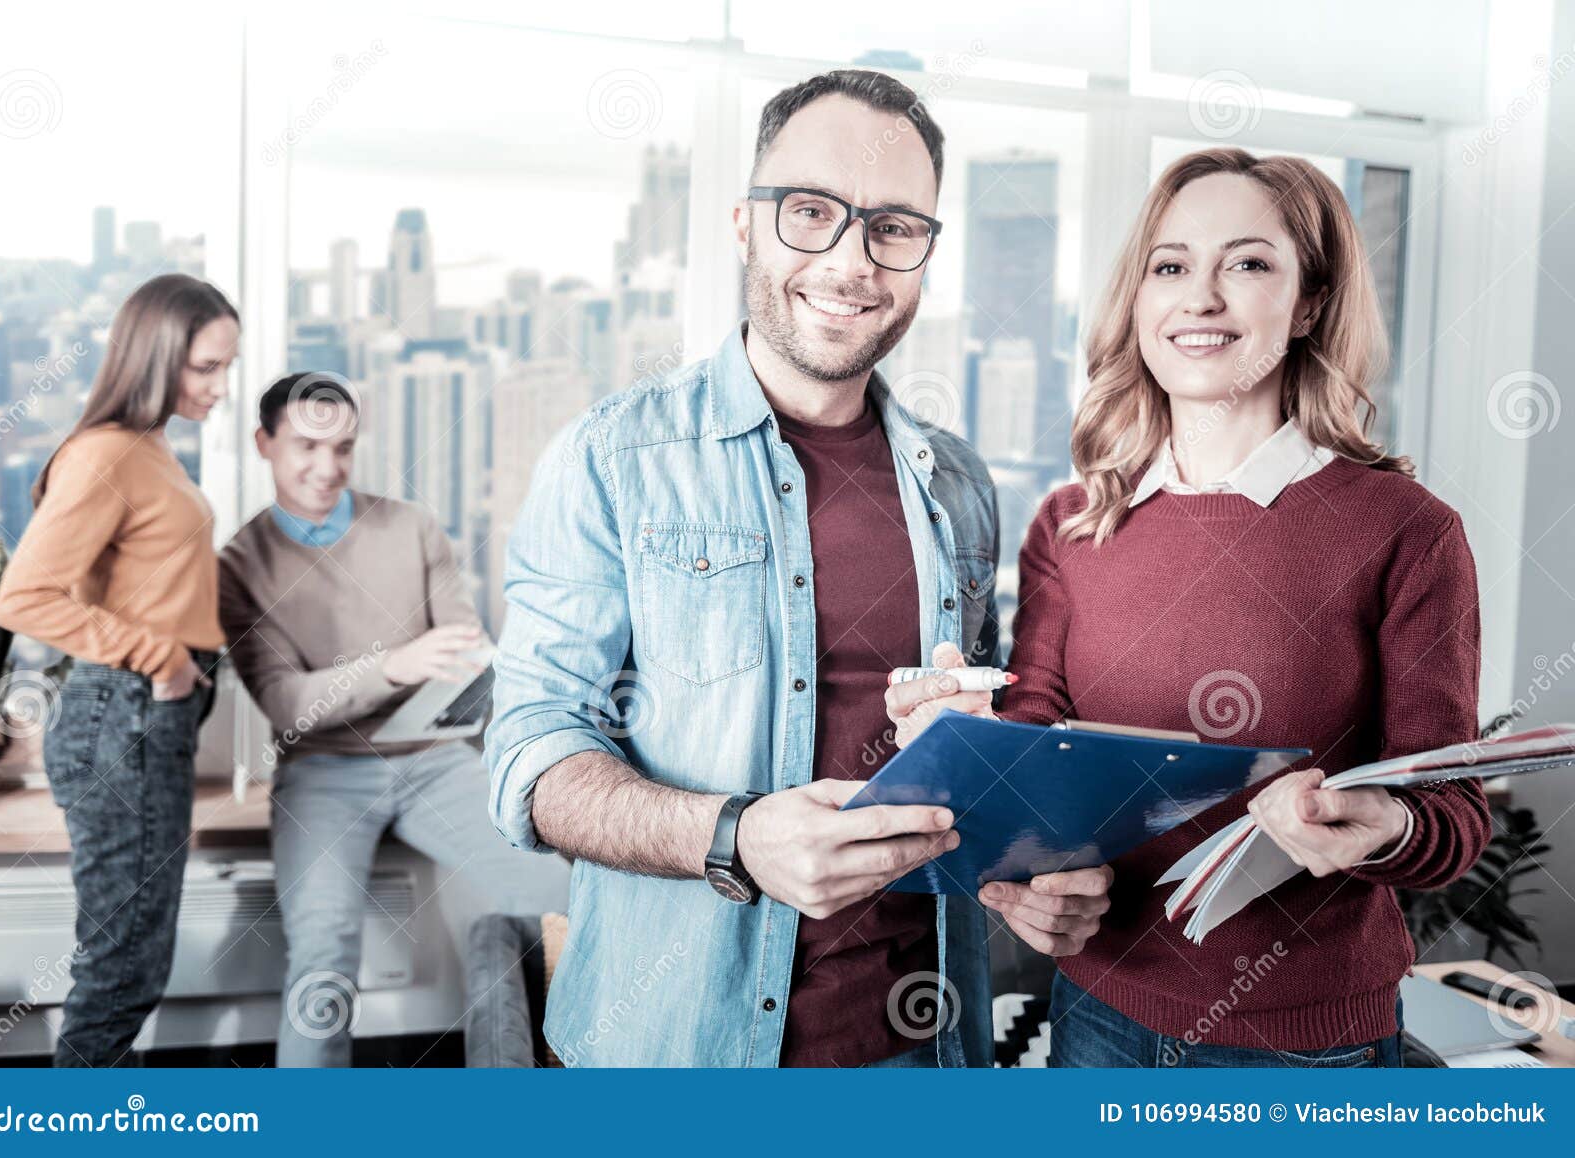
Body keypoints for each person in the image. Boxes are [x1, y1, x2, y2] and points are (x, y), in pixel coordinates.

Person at [487, 68, 1109, 1069]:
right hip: (674, 1056)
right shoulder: (612, 458)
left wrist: (1023, 856)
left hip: (921, 1050)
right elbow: (528, 750)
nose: (852, 262)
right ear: (744, 225)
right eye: (811, 212)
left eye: (894, 228)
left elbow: (968, 755)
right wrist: (735, 837)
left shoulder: (956, 483)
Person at [887, 147, 1490, 1068]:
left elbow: (1450, 810)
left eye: (1247, 264)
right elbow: (1043, 739)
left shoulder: (1407, 531)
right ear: (1140, 302)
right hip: (1097, 1012)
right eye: (1171, 267)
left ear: (1310, 303)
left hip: (1301, 1051)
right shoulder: (1074, 521)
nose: (1200, 298)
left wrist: (1388, 827)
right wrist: (977, 757)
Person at [217, 371, 569, 1067]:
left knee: (564, 892)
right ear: (264, 443)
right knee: (323, 965)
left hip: (434, 763)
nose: (327, 468)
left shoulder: (411, 527)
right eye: (306, 447)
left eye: (343, 447)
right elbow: (287, 703)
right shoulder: (238, 565)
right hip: (323, 773)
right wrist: (397, 665)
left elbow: (464, 647)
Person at [0, 273, 239, 1066]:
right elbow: (21, 597)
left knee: (126, 956)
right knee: (124, 965)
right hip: (120, 718)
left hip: (145, 720)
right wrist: (159, 654)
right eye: (206, 367)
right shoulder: (105, 453)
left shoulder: (148, 445)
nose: (221, 386)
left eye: (226, 367)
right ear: (156, 356)